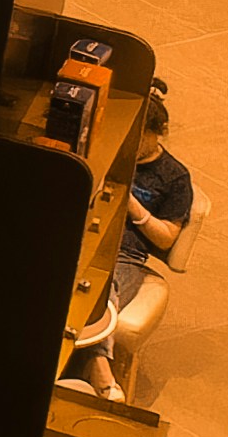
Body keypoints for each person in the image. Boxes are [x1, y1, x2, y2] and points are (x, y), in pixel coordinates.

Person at [66, 114, 196, 403]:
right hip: (83, 239)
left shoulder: (174, 177)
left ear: (158, 133)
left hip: (125, 255)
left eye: (140, 137)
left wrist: (132, 205)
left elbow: (166, 237)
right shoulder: (114, 153)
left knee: (101, 286)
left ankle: (99, 366)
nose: (133, 144)